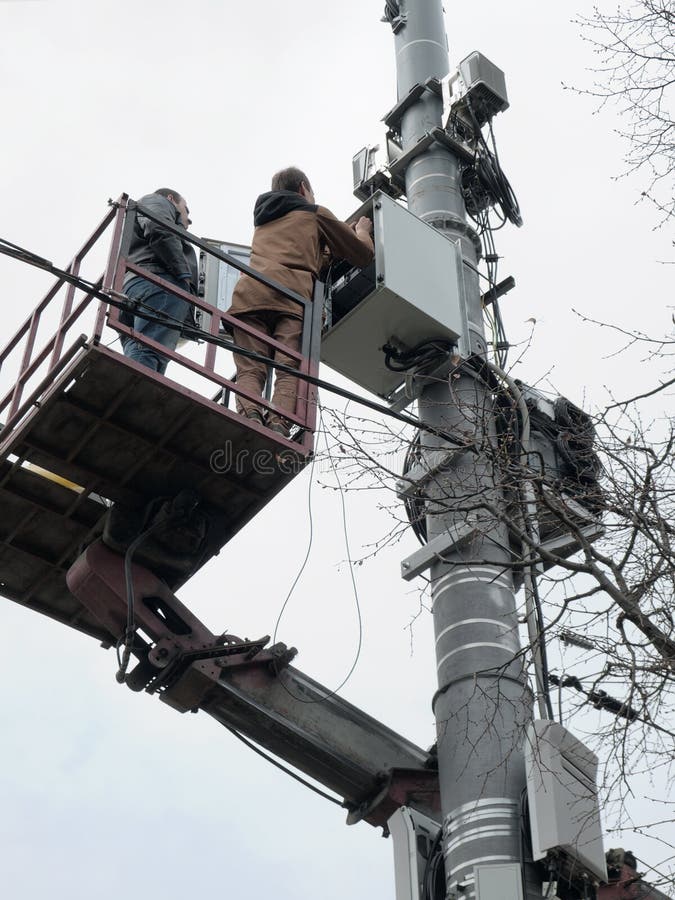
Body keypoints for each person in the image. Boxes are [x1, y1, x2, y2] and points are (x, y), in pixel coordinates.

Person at [229, 167, 374, 435]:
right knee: (288, 366)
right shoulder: (314, 213)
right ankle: (278, 421)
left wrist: (326, 249)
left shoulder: (263, 221)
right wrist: (362, 231)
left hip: (248, 298)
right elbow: (361, 253)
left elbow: (303, 254)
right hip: (290, 298)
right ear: (303, 188)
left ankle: (249, 415)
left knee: (250, 368)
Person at [120, 188, 198, 374]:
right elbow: (159, 228)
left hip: (134, 286)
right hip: (158, 284)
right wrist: (184, 275)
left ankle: (131, 390)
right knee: (150, 351)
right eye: (186, 209)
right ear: (171, 199)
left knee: (141, 348)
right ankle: (135, 394)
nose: (190, 219)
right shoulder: (156, 201)